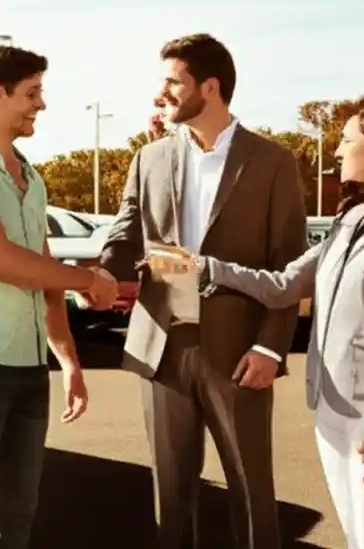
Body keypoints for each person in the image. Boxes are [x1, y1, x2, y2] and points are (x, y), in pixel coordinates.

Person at [143, 95, 364, 549]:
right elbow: (282, 284)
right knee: (355, 534)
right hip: (329, 409)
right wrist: (204, 266)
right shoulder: (348, 223)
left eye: (347, 141)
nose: (339, 152)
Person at [99, 33, 309, 549]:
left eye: (173, 81)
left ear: (210, 87)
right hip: (161, 346)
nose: (161, 94)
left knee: (251, 491)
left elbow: (290, 263)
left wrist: (269, 347)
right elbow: (127, 233)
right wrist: (100, 276)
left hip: (240, 353)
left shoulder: (272, 161)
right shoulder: (149, 159)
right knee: (170, 497)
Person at [0, 44, 119, 549]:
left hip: (29, 368)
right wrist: (91, 280)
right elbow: (1, 261)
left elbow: (44, 271)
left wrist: (68, 360)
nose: (41, 105)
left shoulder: (30, 177)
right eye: (31, 93)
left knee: (15, 518)